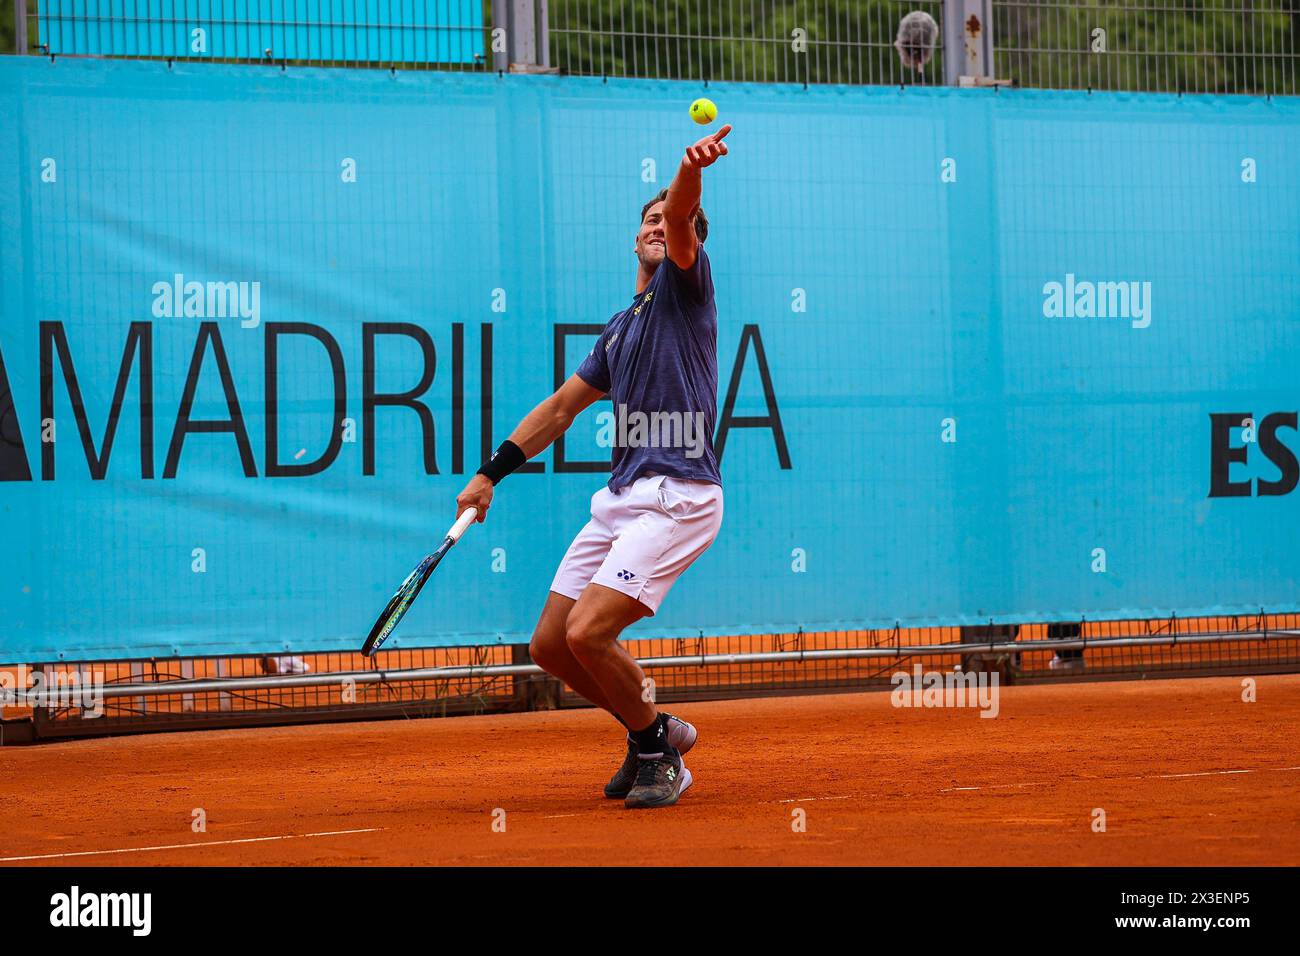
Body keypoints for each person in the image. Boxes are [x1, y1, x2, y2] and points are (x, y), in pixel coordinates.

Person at [454, 125, 732, 809]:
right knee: (551, 644)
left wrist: (685, 174)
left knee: (590, 631)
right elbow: (557, 411)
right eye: (650, 219)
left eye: (672, 222)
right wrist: (490, 473)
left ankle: (657, 750)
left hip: (679, 495)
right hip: (622, 498)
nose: (660, 227)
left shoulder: (685, 295)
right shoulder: (620, 326)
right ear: (633, 236)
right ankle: (654, 732)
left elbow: (682, 210)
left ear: (688, 238)